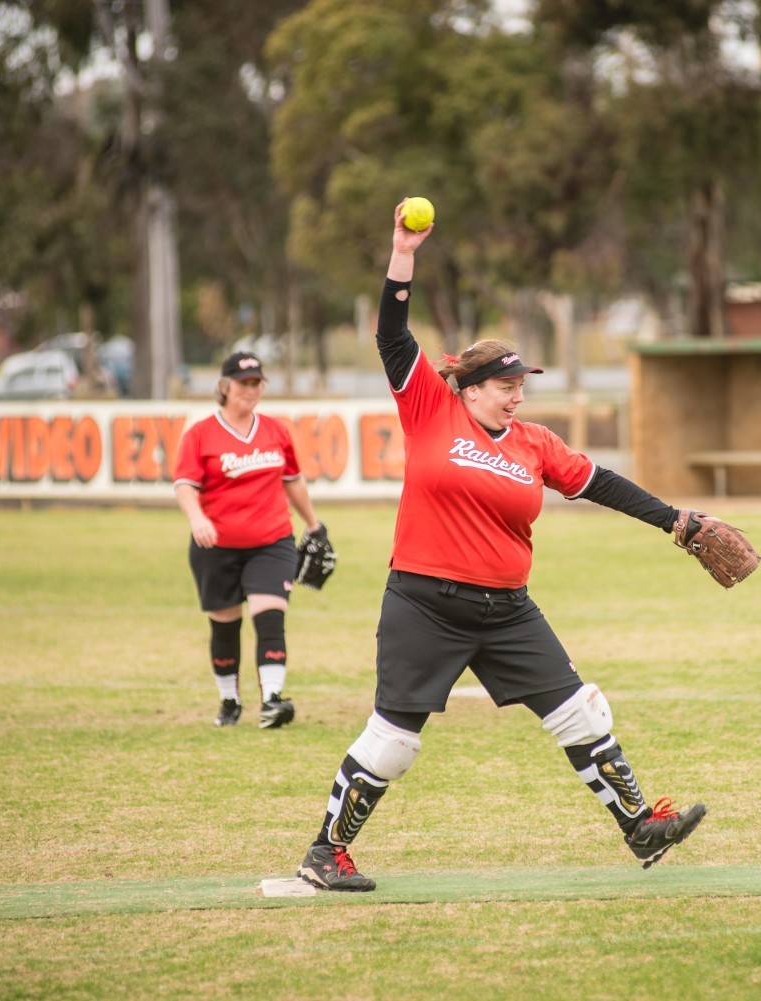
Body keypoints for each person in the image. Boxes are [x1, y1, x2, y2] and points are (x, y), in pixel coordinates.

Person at [295, 201, 707, 892]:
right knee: (394, 742)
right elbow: (393, 334)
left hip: (507, 610)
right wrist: (404, 254)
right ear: (474, 388)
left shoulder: (534, 443)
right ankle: (325, 851)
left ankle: (640, 825)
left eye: (522, 386)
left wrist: (673, 519)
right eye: (507, 386)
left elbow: (597, 482)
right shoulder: (431, 408)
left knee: (582, 710)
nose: (518, 396)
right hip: (424, 603)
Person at [174, 350, 322, 729]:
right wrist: (197, 520)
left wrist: (314, 525)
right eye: (243, 383)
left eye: (256, 382)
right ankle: (229, 700)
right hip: (216, 545)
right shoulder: (200, 434)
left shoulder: (275, 430)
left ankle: (272, 700)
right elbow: (185, 485)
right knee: (225, 625)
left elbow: (293, 481)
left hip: (271, 540)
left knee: (270, 615)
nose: (250, 390)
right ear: (223, 386)